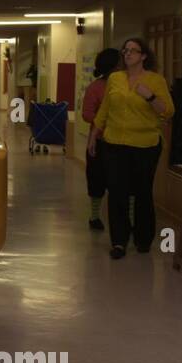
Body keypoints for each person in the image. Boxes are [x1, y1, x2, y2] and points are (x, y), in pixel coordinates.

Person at [87, 37, 174, 259]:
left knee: (142, 192)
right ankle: (119, 242)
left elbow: (167, 111)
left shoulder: (155, 81)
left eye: (133, 51)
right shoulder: (115, 79)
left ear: (143, 56)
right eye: (125, 51)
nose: (127, 54)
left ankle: (143, 239)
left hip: (145, 145)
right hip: (114, 143)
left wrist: (150, 96)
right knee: (117, 192)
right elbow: (105, 110)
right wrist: (94, 136)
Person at [81, 48, 121, 230]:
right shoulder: (96, 88)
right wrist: (107, 122)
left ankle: (127, 219)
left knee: (124, 184)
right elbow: (87, 114)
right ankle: (94, 216)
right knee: (97, 180)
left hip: (124, 141)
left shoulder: (127, 84)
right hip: (100, 140)